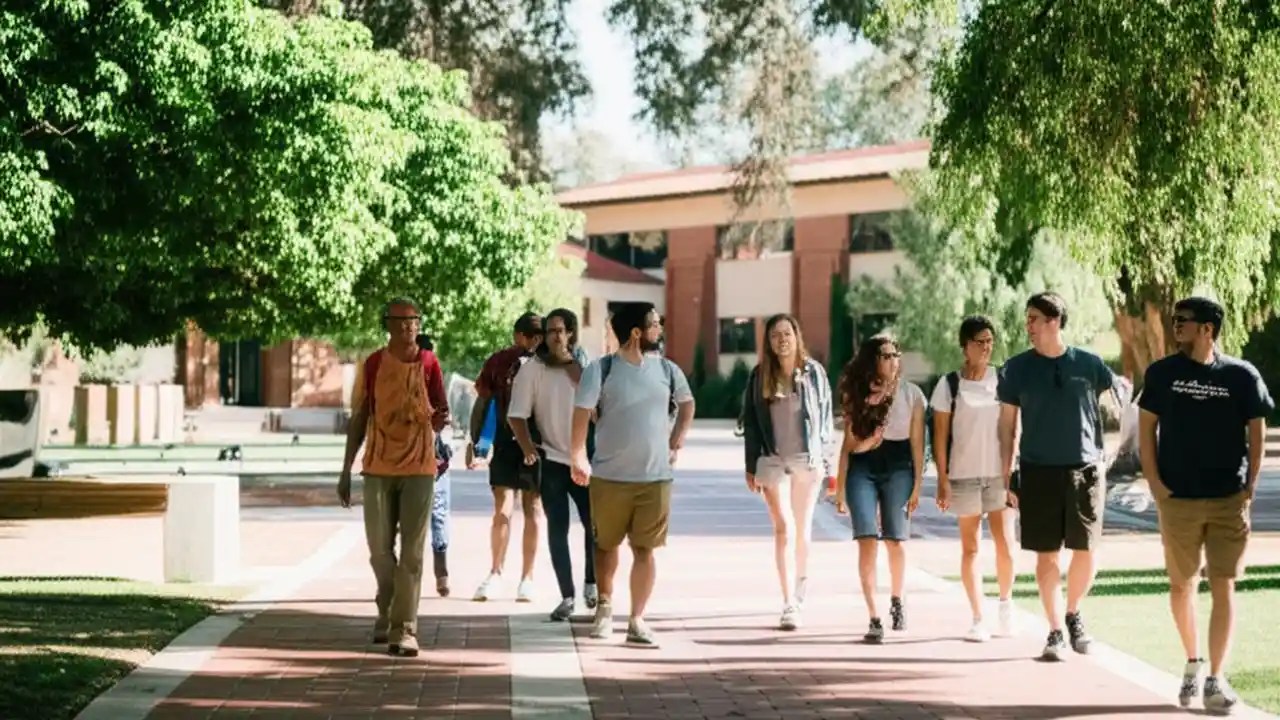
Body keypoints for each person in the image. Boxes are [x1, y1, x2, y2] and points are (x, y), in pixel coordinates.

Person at [1139, 296, 1273, 712]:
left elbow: (1257, 433)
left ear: (1208, 330)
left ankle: (1216, 677)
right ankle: (1193, 661)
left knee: (1223, 585)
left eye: (1184, 321)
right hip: (1177, 499)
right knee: (1181, 586)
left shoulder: (1242, 375)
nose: (1176, 326)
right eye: (1175, 320)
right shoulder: (1161, 374)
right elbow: (1146, 432)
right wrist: (1156, 485)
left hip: (1227, 500)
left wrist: (1249, 486)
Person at [997, 291, 1132, 661]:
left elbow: (1117, 412)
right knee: (1047, 557)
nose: (1029, 326)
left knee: (1086, 550)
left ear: (1055, 321)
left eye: (1034, 319)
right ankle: (1055, 630)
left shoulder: (1089, 365)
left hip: (1085, 470)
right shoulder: (1016, 369)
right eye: (1027, 319)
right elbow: (1006, 426)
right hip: (1037, 471)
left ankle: (1073, 612)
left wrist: (1108, 456)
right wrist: (1006, 473)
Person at [570, 302, 695, 647]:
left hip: (655, 478)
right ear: (637, 332)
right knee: (606, 545)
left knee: (645, 550)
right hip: (610, 477)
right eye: (655, 324)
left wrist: (676, 441)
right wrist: (578, 455)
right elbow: (581, 413)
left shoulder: (668, 370)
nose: (660, 329)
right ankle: (606, 609)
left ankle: (637, 619)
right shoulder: (602, 370)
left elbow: (687, 405)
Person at [338, 298, 449, 657]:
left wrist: (437, 420)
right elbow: (359, 418)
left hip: (419, 467)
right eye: (401, 321)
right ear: (387, 324)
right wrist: (345, 469)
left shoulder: (430, 364)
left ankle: (405, 629)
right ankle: (386, 607)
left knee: (413, 555)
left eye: (413, 321)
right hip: (378, 466)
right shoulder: (372, 364)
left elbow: (440, 411)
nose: (408, 327)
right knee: (379, 552)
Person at [740, 314, 835, 631]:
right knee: (783, 528)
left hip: (807, 457)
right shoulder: (759, 376)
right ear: (768, 342)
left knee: (802, 526)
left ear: (797, 336)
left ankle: (801, 582)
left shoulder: (813, 374)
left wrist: (827, 462)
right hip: (771, 459)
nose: (782, 340)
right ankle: (788, 602)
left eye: (787, 333)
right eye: (775, 335)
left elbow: (824, 420)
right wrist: (750, 464)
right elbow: (751, 423)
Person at [509, 308, 599, 621]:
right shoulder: (533, 369)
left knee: (595, 526)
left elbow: (599, 413)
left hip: (584, 460)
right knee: (557, 528)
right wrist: (527, 449)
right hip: (551, 460)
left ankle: (591, 583)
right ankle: (567, 596)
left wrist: (580, 378)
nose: (556, 336)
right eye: (550, 331)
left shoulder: (584, 365)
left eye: (561, 330)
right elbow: (515, 414)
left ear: (571, 333)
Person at [835, 333, 925, 644]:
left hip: (899, 467)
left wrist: (918, 485)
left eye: (895, 354)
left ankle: (897, 600)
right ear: (872, 359)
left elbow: (917, 444)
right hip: (863, 465)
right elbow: (847, 447)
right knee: (866, 540)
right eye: (885, 355)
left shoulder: (913, 395)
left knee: (896, 541)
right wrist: (840, 488)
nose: (892, 360)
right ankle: (874, 617)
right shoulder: (857, 393)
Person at [931, 316, 1016, 642]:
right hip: (963, 475)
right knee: (970, 549)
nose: (986, 347)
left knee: (1006, 544)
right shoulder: (949, 385)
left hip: (999, 475)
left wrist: (1012, 471)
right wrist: (942, 478)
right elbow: (940, 436)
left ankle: (1006, 605)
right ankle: (978, 617)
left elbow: (1013, 426)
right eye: (979, 341)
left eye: (990, 341)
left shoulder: (1004, 380)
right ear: (964, 346)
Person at [468, 312, 545, 602]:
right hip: (506, 441)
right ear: (520, 336)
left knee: (532, 508)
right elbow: (483, 400)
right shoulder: (500, 362)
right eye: (531, 337)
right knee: (504, 507)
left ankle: (527, 577)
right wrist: (476, 442)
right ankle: (496, 572)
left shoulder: (548, 364)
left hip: (537, 443)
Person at [417, 333, 453, 597]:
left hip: (434, 461)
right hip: (415, 462)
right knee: (433, 516)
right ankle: (435, 575)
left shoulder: (435, 381)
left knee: (437, 515)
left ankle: (441, 575)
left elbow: (444, 416)